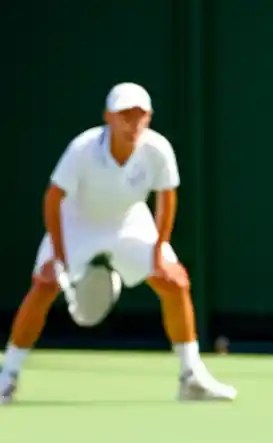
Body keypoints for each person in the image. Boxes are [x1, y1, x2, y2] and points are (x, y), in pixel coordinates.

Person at [0, 82, 236, 404]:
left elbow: (166, 200)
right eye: (125, 116)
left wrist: (159, 253)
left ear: (149, 118)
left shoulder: (158, 149)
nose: (133, 124)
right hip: (77, 222)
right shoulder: (83, 149)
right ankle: (7, 376)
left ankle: (191, 376)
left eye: (140, 116)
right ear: (108, 118)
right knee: (42, 285)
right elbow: (53, 199)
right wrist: (57, 255)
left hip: (129, 221)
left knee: (176, 282)